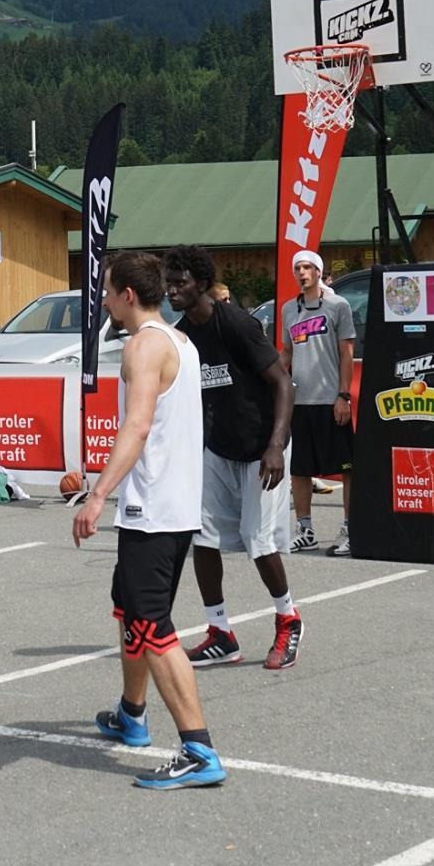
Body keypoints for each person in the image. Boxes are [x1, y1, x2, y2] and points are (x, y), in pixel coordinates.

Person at [73, 251, 226, 789]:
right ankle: (132, 714)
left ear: (127, 297)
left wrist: (97, 495)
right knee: (129, 607)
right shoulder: (178, 340)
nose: (106, 301)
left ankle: (198, 750)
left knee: (151, 625)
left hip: (154, 508)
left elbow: (135, 430)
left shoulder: (144, 346)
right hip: (173, 506)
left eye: (109, 291)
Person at [161, 246, 301, 673]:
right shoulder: (182, 335)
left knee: (258, 541)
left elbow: (284, 384)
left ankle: (288, 618)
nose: (172, 290)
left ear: (201, 283)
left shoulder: (236, 323)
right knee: (201, 536)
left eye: (179, 282)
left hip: (262, 447)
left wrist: (275, 446)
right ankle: (220, 632)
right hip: (219, 448)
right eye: (168, 283)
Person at [280, 250, 355, 554]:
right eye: (297, 267)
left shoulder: (338, 305)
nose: (302, 272)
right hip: (300, 402)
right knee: (299, 469)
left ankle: (351, 527)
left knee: (347, 467)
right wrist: (270, 374)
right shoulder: (288, 309)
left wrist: (344, 395)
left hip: (330, 400)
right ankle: (305, 529)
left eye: (308, 267)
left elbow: (347, 353)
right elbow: (287, 352)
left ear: (319, 272)